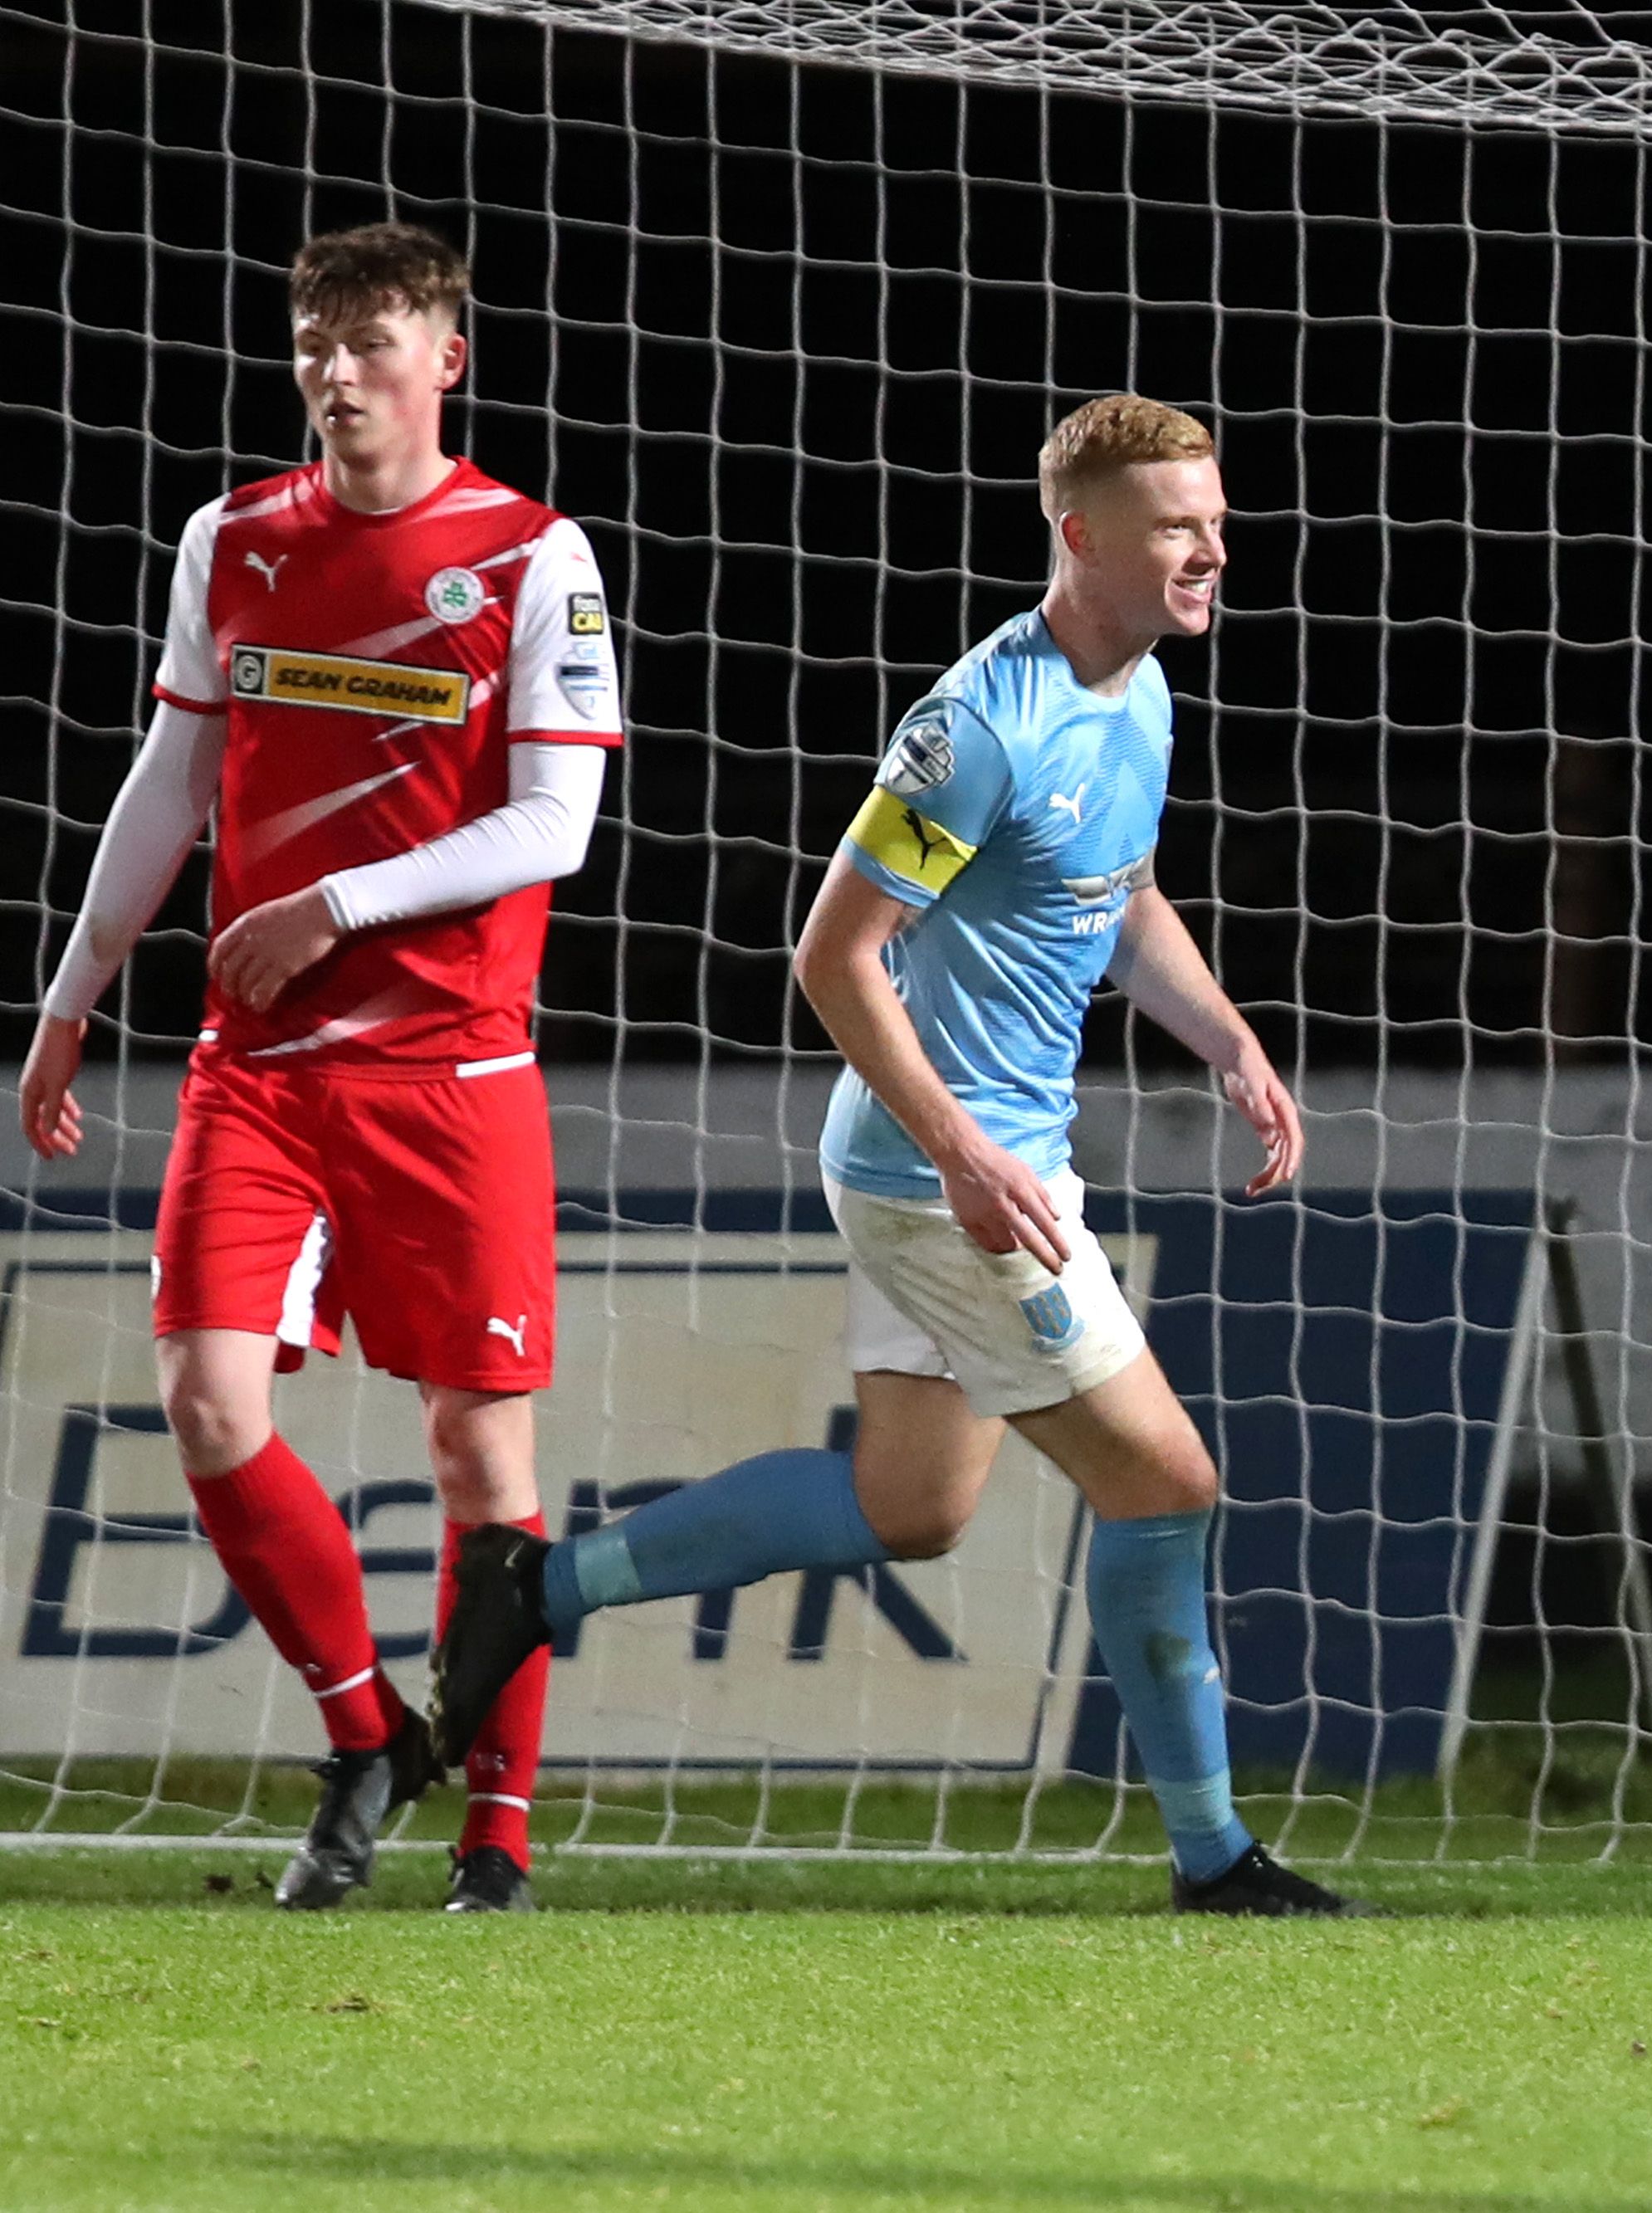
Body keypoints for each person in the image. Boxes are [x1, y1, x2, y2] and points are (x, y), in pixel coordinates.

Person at [428, 394, 1372, 1917]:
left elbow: (1121, 893)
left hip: (976, 1161)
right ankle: (1215, 1860)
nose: (1213, 550)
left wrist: (1229, 1038)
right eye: (1178, 526)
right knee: (1168, 1482)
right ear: (1082, 535)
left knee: (910, 1504)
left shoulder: (1140, 692)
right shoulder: (980, 727)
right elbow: (834, 954)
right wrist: (964, 1155)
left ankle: (534, 1586)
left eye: (1216, 520)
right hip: (949, 1181)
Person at [15, 222, 620, 1913]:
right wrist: (71, 993)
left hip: (452, 1070)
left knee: (480, 1461)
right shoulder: (234, 540)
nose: (337, 374)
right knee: (209, 1401)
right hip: (258, 1067)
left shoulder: (533, 555)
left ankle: (496, 1839)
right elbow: (169, 777)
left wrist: (333, 903)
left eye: (371, 342)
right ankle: (364, 1734)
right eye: (313, 344)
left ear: (447, 359)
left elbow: (556, 821)